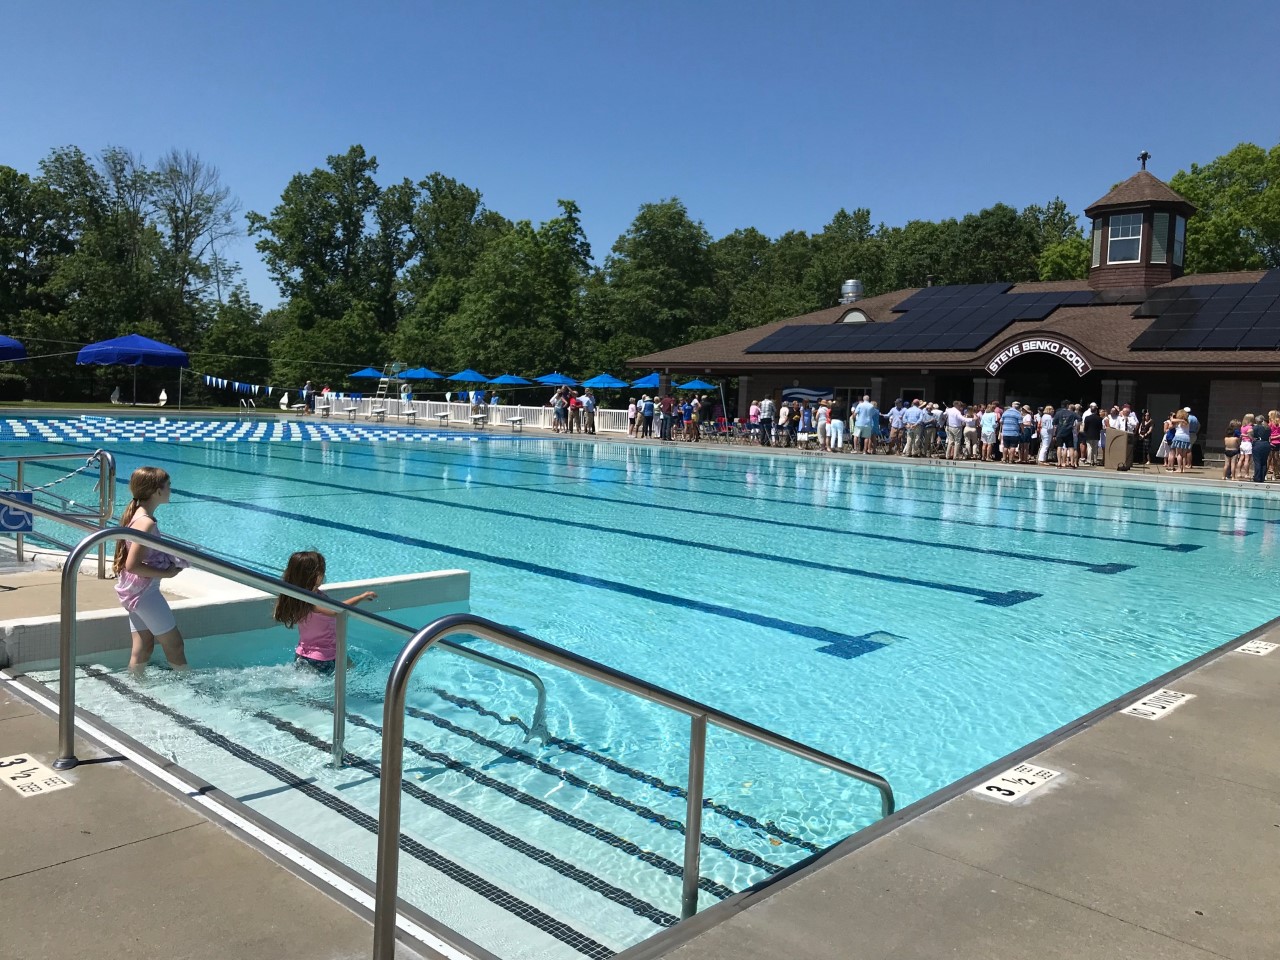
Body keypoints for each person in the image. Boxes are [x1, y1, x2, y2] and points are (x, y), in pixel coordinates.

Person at [113, 466, 188, 674]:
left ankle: (134, 684)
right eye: (168, 485)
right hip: (146, 593)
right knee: (175, 645)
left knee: (144, 645)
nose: (171, 490)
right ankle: (188, 685)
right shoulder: (146, 522)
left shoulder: (137, 516)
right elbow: (133, 565)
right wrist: (167, 573)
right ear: (157, 491)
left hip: (136, 591)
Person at [273, 550, 377, 675]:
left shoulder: (300, 596)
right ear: (314, 575)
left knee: (351, 670)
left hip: (309, 654)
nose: (324, 574)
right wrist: (360, 597)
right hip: (320, 658)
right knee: (354, 676)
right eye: (322, 571)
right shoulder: (311, 600)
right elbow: (335, 610)